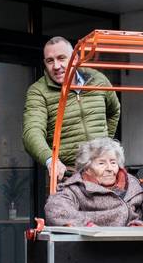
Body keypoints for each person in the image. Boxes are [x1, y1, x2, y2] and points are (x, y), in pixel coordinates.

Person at [22, 36, 120, 180]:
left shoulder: (98, 79)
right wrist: (51, 160)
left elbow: (114, 110)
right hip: (70, 175)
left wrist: (103, 145)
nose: (56, 66)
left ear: (75, 59)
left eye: (61, 58)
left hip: (103, 172)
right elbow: (32, 132)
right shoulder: (38, 91)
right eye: (50, 61)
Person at [45, 137, 143, 227]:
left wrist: (136, 224)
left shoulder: (133, 185)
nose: (109, 168)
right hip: (91, 244)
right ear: (87, 168)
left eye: (113, 162)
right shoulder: (75, 188)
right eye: (101, 163)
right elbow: (55, 211)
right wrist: (86, 225)